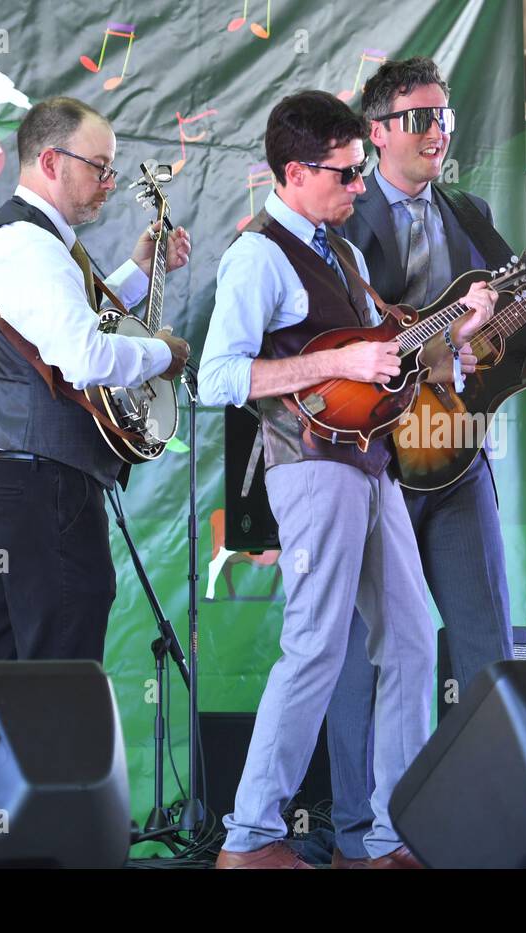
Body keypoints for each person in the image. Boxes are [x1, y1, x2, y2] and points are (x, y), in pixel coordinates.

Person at [326, 56, 526, 866]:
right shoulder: (339, 221)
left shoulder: (468, 208)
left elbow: (525, 313)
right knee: (365, 651)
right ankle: (361, 835)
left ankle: (486, 823)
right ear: (378, 131)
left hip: (458, 455)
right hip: (372, 460)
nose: (439, 132)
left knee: (486, 640)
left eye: (445, 116)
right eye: (421, 117)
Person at [197, 90, 496, 869]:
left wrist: (450, 338)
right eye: (346, 174)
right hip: (309, 468)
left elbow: (386, 358)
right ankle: (252, 835)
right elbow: (215, 376)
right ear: (296, 172)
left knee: (409, 639)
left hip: (370, 464)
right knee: (317, 646)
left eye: (361, 171)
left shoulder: (348, 256)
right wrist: (335, 361)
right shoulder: (257, 255)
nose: (361, 187)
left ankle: (396, 836)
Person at [0, 96, 191, 663]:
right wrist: (160, 353)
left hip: (16, 479)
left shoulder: (37, 239)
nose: (109, 181)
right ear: (51, 161)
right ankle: (46, 756)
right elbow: (83, 356)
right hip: (40, 484)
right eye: (100, 166)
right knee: (58, 670)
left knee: (16, 666)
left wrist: (137, 273)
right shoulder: (29, 241)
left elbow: (61, 322)